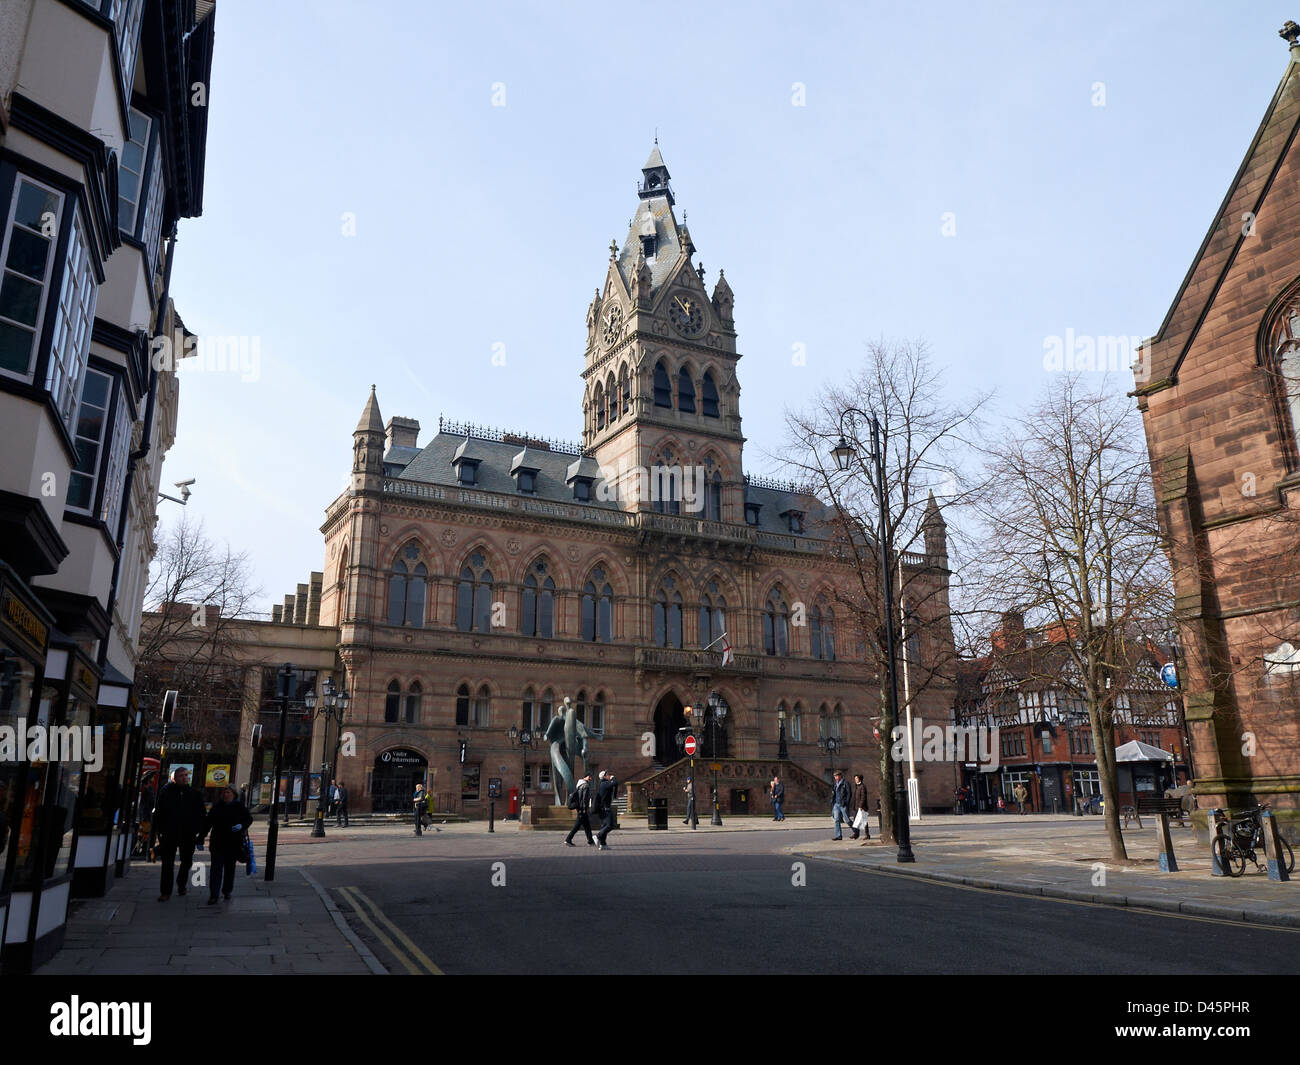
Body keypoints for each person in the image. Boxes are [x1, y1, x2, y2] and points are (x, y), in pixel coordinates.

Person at [153, 767, 206, 901]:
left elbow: (202, 814)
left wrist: (199, 832)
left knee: (187, 861)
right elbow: (159, 813)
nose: (184, 777)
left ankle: (181, 883)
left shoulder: (194, 794)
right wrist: (159, 832)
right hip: (170, 833)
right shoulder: (166, 792)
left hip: (188, 833)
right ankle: (165, 892)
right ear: (175, 778)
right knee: (167, 863)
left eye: (186, 775)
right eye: (181, 775)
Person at [202, 786, 253, 905]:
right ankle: (214, 895)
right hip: (217, 843)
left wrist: (242, 825)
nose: (226, 795)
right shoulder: (217, 807)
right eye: (224, 793)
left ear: (234, 794)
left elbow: (249, 819)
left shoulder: (239, 806)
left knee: (230, 869)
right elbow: (208, 823)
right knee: (216, 869)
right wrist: (200, 838)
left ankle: (227, 890)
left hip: (233, 843)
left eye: (228, 792)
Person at [564, 773, 594, 846]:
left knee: (587, 826)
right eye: (589, 777)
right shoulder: (585, 786)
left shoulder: (579, 785)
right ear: (586, 777)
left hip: (579, 808)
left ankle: (590, 841)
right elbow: (584, 799)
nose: (590, 779)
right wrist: (584, 809)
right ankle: (568, 839)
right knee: (577, 826)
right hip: (582, 809)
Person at [595, 770, 617, 850]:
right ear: (604, 776)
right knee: (610, 825)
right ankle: (598, 836)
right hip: (605, 809)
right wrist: (613, 778)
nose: (609, 775)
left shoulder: (603, 783)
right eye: (607, 774)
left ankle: (603, 844)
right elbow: (614, 783)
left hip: (604, 808)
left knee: (604, 826)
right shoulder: (604, 784)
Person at [831, 770, 851, 840]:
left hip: (843, 804)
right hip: (836, 804)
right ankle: (838, 835)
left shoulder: (845, 783)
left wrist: (846, 802)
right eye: (834, 776)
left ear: (840, 776)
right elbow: (834, 793)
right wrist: (832, 802)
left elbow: (849, 794)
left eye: (836, 776)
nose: (835, 778)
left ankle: (855, 830)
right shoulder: (835, 784)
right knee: (836, 820)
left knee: (847, 820)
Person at [851, 773, 870, 841]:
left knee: (864, 820)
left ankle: (867, 834)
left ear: (860, 779)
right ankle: (856, 834)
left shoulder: (862, 786)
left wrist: (861, 806)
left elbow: (863, 797)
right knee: (856, 820)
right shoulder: (856, 786)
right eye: (855, 778)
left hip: (862, 807)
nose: (855, 780)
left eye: (856, 778)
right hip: (856, 806)